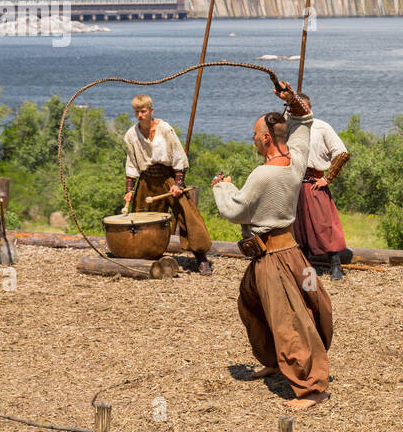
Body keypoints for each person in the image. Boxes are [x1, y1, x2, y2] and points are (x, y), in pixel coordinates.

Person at [211, 82, 332, 411]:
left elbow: (235, 210)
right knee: (256, 303)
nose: (252, 138)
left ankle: (311, 388)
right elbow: (305, 122)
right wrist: (290, 99)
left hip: (272, 261)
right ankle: (274, 361)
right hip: (294, 254)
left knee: (288, 321)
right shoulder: (296, 161)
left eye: (254, 134)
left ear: (266, 138)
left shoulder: (263, 175)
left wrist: (222, 187)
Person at [123, 94, 213, 275]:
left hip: (168, 179)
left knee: (188, 215)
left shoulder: (165, 129)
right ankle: (145, 254)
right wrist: (129, 190)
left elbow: (178, 157)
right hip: (146, 181)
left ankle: (201, 258)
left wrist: (178, 184)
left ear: (151, 111)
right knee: (142, 219)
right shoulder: (131, 134)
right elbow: (132, 163)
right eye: (137, 112)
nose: (140, 115)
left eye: (143, 111)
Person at [292, 92, 350, 280]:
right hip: (293, 184)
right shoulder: (289, 128)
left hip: (314, 184)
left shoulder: (321, 127)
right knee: (298, 227)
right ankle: (305, 266)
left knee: (324, 225)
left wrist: (328, 178)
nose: (299, 110)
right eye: (295, 107)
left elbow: (341, 153)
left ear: (309, 107)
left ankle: (336, 266)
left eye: (302, 107)